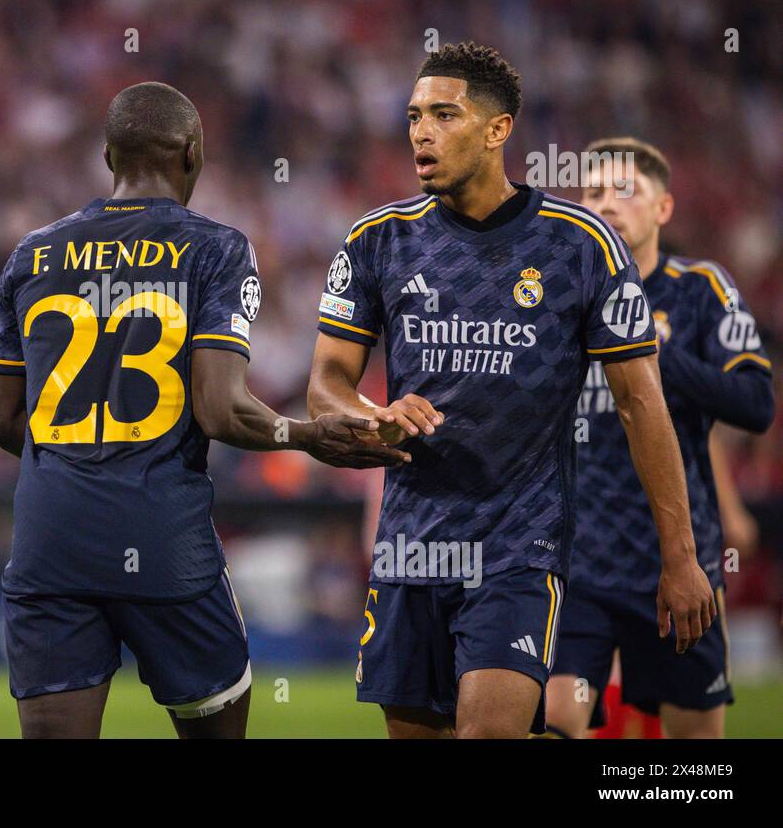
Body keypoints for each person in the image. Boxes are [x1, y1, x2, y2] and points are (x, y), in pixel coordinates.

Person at [306, 43, 715, 738]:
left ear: (498, 130)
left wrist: (680, 558)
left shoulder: (580, 245)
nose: (421, 132)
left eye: (443, 114)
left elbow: (641, 402)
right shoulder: (378, 239)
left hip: (518, 548)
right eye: (413, 117)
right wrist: (373, 415)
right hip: (410, 547)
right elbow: (326, 386)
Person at [0, 81, 407, 738]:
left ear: (108, 157)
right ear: (191, 151)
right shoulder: (214, 248)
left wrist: (79, 462)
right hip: (161, 536)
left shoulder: (31, 254)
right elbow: (218, 409)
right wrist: (306, 434)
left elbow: (7, 422)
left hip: (51, 539)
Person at [545, 137, 774, 738]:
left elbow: (756, 404)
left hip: (676, 563)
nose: (606, 203)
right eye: (593, 192)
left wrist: (653, 355)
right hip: (577, 565)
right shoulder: (559, 296)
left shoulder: (702, 289)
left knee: (693, 742)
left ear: (663, 209)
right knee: (556, 718)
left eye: (626, 190)